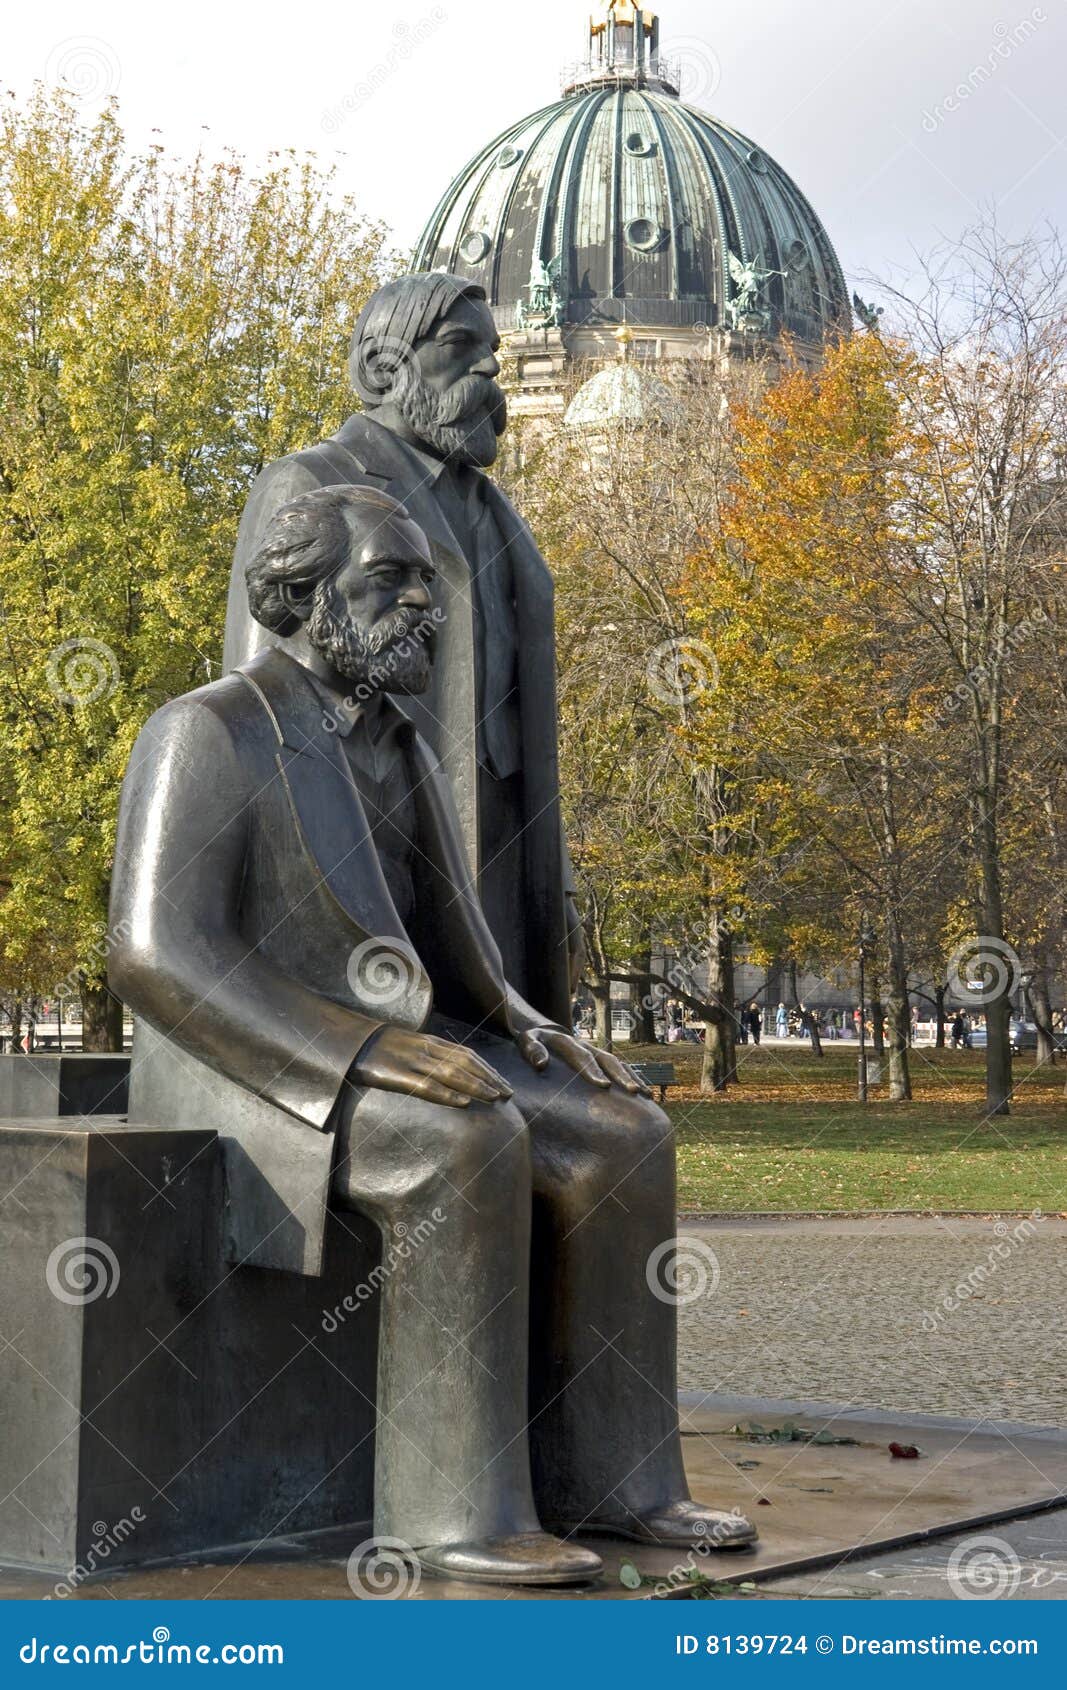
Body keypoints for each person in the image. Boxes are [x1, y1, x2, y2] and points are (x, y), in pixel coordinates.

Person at [110, 487, 755, 1590]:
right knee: (464, 1145)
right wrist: (356, 1051)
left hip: (374, 1049)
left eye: (427, 581)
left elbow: (445, 945)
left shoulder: (397, 745)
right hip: (241, 1062)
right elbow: (157, 952)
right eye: (391, 580)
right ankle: (452, 1512)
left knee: (621, 1134)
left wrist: (530, 1027)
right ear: (306, 597)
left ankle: (619, 1480)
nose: (424, 604)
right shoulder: (206, 730)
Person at [222, 272, 582, 1025]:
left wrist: (556, 877)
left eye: (493, 351)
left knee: (528, 1081)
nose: (489, 369)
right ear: (383, 369)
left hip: (506, 837)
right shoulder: (313, 481)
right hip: (369, 840)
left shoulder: (497, 513)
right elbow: (265, 696)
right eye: (460, 348)